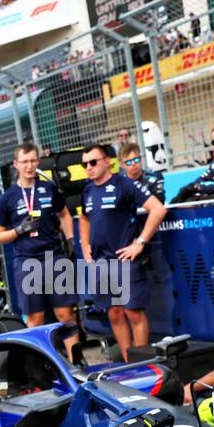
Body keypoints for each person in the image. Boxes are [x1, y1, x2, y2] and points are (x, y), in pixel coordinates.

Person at [78, 143, 167, 360]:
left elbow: (158, 209)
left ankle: (143, 362)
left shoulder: (125, 184)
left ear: (108, 161)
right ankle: (129, 363)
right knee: (114, 313)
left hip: (124, 260)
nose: (88, 167)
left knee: (133, 312)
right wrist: (84, 244)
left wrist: (140, 242)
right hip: (101, 263)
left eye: (93, 162)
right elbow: (84, 218)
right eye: (84, 164)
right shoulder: (87, 190)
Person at [0, 142, 77, 328]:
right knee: (35, 319)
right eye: (24, 162)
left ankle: (74, 357)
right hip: (26, 261)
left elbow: (63, 213)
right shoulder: (7, 198)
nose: (29, 166)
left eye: (32, 161)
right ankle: (38, 358)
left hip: (53, 257)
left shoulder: (48, 188)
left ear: (38, 161)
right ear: (16, 164)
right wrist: (18, 230)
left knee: (65, 314)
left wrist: (70, 238)